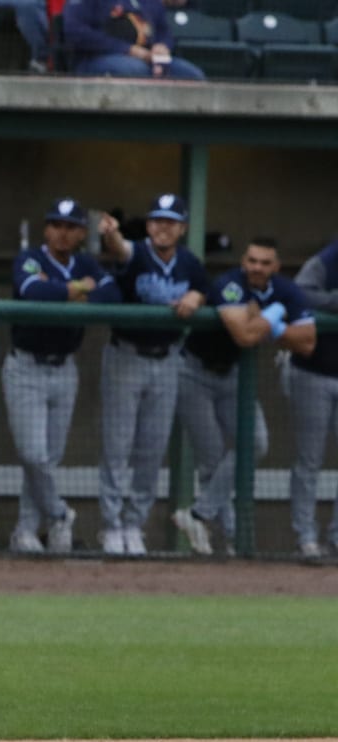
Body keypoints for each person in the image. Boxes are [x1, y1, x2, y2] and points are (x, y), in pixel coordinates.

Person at [173, 239, 315, 556]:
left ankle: (198, 515)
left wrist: (269, 317)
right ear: (243, 261)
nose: (257, 267)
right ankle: (234, 539)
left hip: (234, 375)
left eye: (265, 262)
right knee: (211, 458)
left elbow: (307, 342)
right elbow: (245, 335)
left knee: (256, 442)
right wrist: (276, 316)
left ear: (276, 267)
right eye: (252, 260)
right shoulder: (230, 284)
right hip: (194, 372)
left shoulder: (285, 291)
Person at [4, 198, 120, 554]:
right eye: (56, 224)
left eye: (70, 226)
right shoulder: (31, 259)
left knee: (48, 457)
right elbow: (32, 290)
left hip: (64, 367)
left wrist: (71, 291)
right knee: (33, 453)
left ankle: (27, 530)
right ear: (46, 229)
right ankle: (58, 513)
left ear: (82, 233)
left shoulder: (86, 262)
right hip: (26, 365)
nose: (62, 232)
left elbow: (113, 293)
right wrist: (79, 289)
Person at [97, 193, 208, 556]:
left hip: (167, 361)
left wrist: (196, 297)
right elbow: (120, 250)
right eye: (157, 220)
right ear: (148, 226)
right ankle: (111, 526)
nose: (163, 227)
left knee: (151, 449)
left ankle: (134, 524)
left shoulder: (190, 263)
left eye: (170, 221)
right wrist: (111, 234)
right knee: (118, 446)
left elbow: (205, 288)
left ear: (182, 228)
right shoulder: (138, 253)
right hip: (126, 357)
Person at [290, 239, 338, 559]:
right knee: (309, 461)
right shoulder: (327, 260)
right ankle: (306, 537)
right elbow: (299, 293)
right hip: (313, 373)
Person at [60, 0, 205, 80]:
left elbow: (164, 30)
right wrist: (127, 50)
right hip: (96, 58)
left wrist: (162, 45)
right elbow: (75, 32)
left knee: (191, 75)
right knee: (136, 70)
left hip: (148, 59)